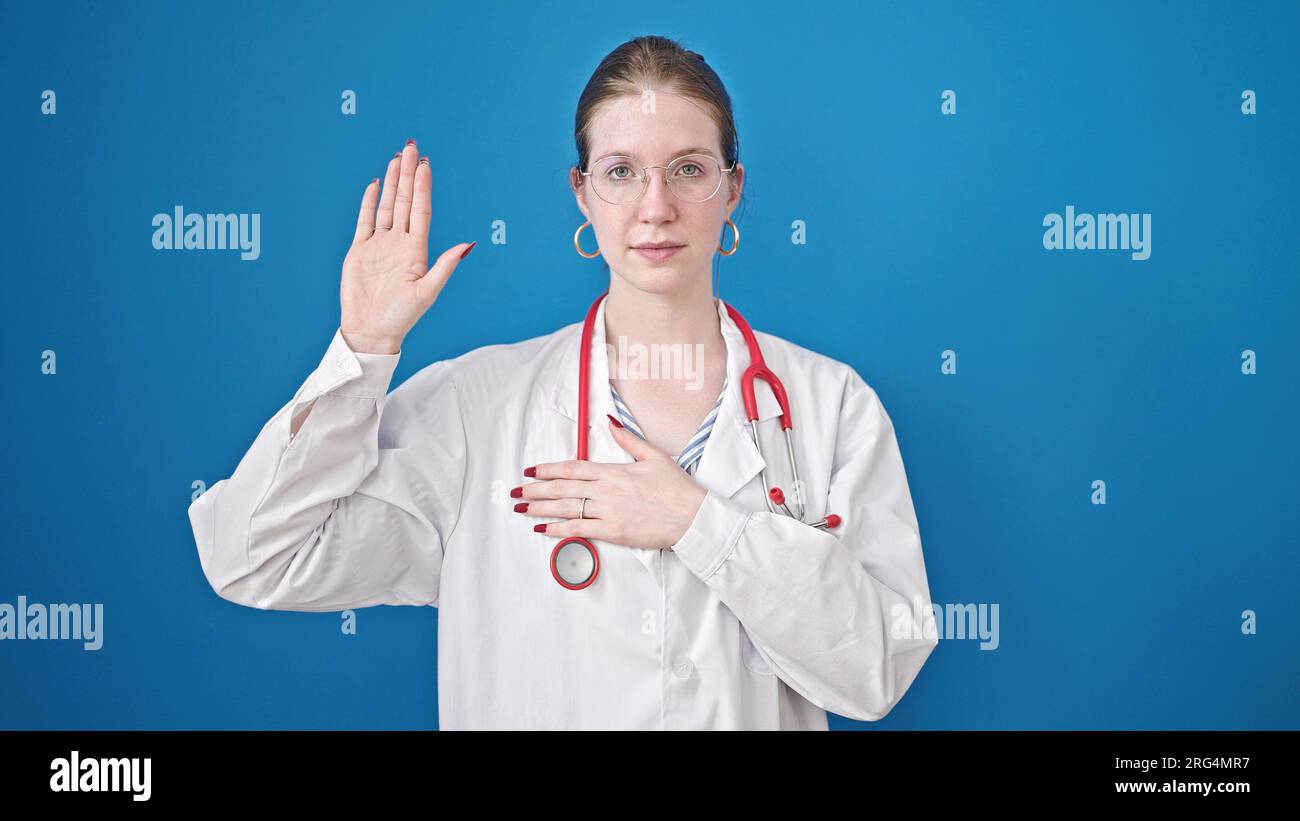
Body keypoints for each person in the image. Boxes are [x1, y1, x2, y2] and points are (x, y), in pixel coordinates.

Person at [188, 34, 939, 730]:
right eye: (621, 172)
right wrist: (362, 349)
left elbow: (878, 670)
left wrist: (699, 524)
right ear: (582, 193)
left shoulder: (830, 404)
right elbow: (251, 558)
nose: (656, 206)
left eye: (688, 168)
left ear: (732, 188)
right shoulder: (478, 408)